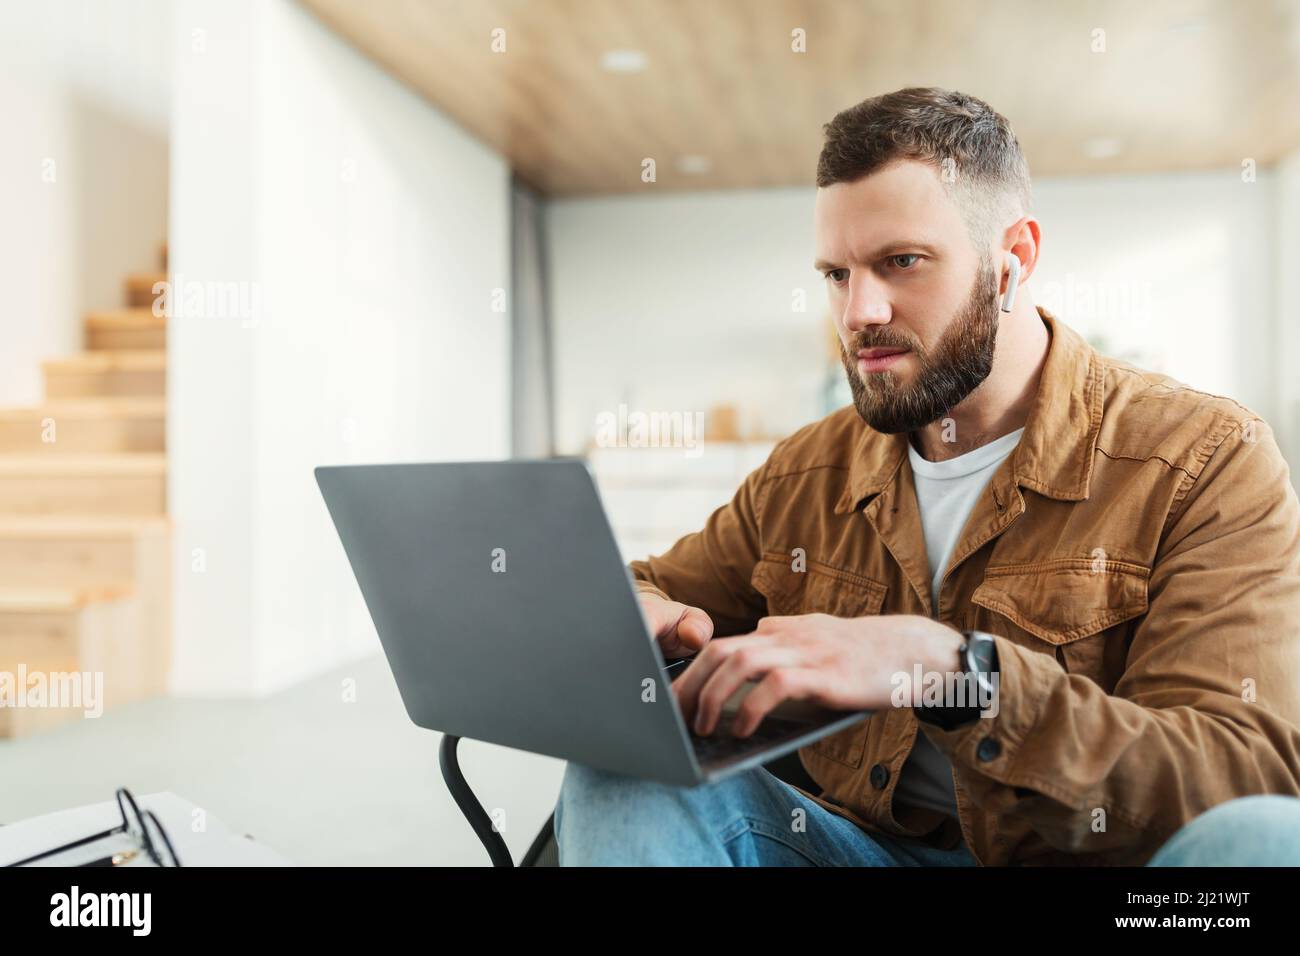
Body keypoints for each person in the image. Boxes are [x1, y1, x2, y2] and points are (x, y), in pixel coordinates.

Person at [555, 87, 1300, 866]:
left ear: (1015, 259)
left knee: (1264, 839)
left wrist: (951, 673)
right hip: (858, 852)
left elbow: (1243, 775)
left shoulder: (1205, 458)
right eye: (837, 275)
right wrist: (640, 615)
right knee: (622, 776)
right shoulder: (806, 472)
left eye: (900, 262)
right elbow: (650, 587)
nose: (858, 313)